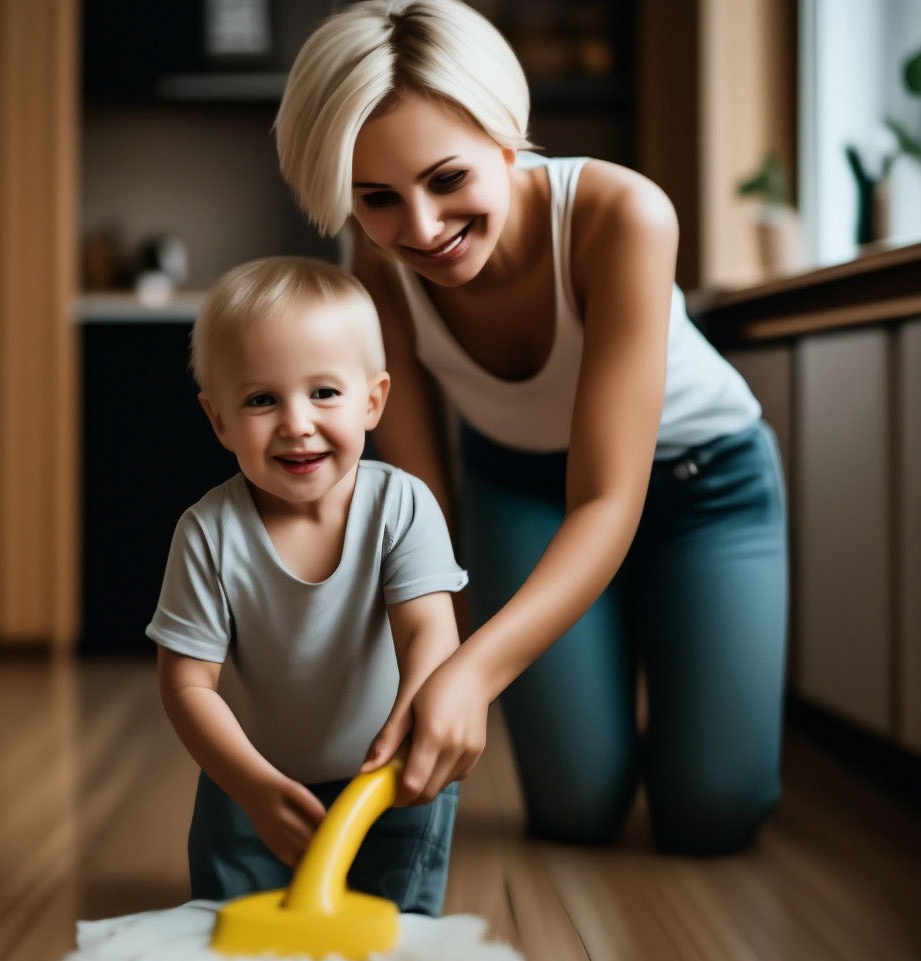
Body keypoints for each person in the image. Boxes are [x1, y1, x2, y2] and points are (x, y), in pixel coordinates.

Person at [274, 0, 789, 855]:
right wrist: (435, 648)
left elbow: (607, 498)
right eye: (379, 199)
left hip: (706, 491)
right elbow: (421, 494)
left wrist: (477, 670)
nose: (423, 230)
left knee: (711, 814)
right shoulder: (373, 262)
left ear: (507, 138)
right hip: (517, 489)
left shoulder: (623, 216)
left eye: (447, 180)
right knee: (576, 814)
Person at [146, 255, 466, 913]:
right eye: (262, 399)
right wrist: (254, 786)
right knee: (231, 926)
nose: (296, 422)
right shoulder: (208, 533)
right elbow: (185, 683)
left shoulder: (402, 507)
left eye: (324, 392)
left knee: (396, 928)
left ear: (373, 400)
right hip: (249, 777)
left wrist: (414, 722)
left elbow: (429, 630)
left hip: (389, 780)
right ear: (219, 421)